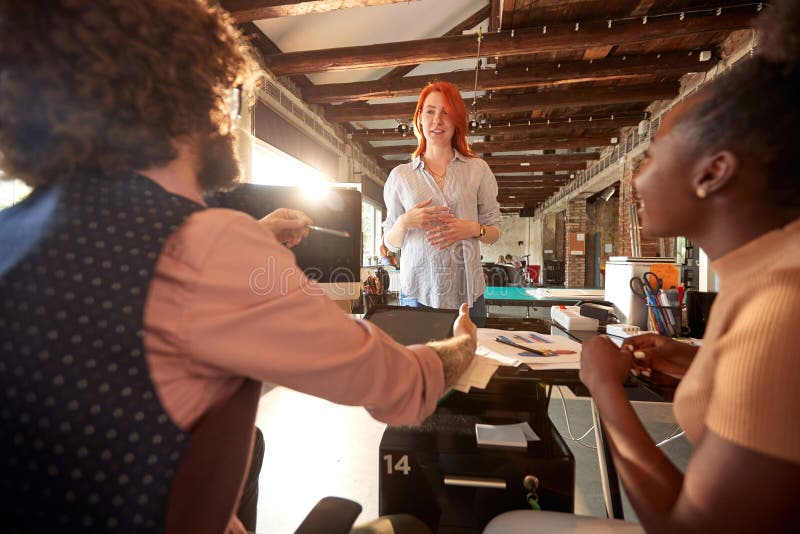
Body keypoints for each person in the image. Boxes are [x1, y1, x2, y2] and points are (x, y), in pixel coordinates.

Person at [0, 2, 476, 532]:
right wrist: (465, 347)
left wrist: (249, 237)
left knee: (252, 446)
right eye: (227, 94)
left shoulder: (11, 234)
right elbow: (401, 386)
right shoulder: (206, 248)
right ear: (191, 97)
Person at [486, 2, 800, 532]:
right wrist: (701, 363)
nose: (634, 181)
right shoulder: (767, 279)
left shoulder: (779, 303)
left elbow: (688, 525)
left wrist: (604, 386)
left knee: (506, 526)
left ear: (713, 171)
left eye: (652, 155)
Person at [382, 81, 502, 327]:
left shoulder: (477, 169)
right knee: (422, 363)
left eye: (446, 112)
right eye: (430, 111)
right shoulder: (400, 176)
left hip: (467, 292)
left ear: (457, 120)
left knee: (470, 362)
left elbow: (494, 232)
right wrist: (404, 222)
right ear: (420, 118)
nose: (437, 120)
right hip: (418, 291)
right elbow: (389, 243)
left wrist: (471, 229)